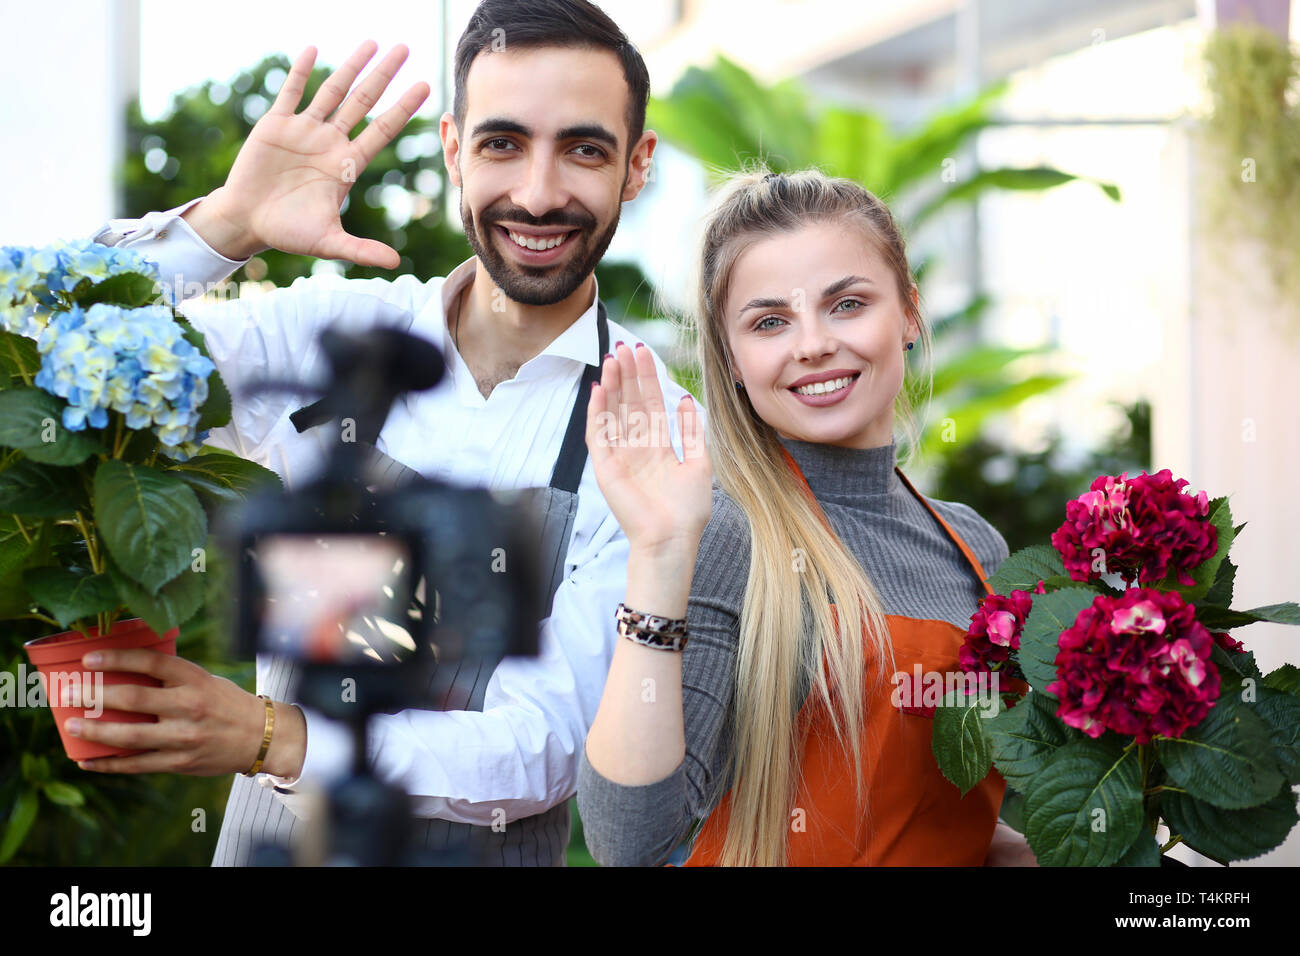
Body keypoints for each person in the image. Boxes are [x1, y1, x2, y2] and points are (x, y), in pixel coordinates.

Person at [65, 0, 700, 866]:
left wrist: (271, 736)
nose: (540, 193)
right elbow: (51, 352)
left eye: (584, 149)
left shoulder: (650, 428)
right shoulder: (333, 333)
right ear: (452, 149)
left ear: (637, 165)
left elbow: (546, 747)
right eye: (501, 143)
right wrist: (226, 226)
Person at [577, 167, 1037, 866]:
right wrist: (662, 553)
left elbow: (952, 815)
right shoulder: (725, 533)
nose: (813, 344)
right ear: (731, 358)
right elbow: (628, 842)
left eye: (847, 304)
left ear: (909, 313)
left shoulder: (974, 545)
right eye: (769, 322)